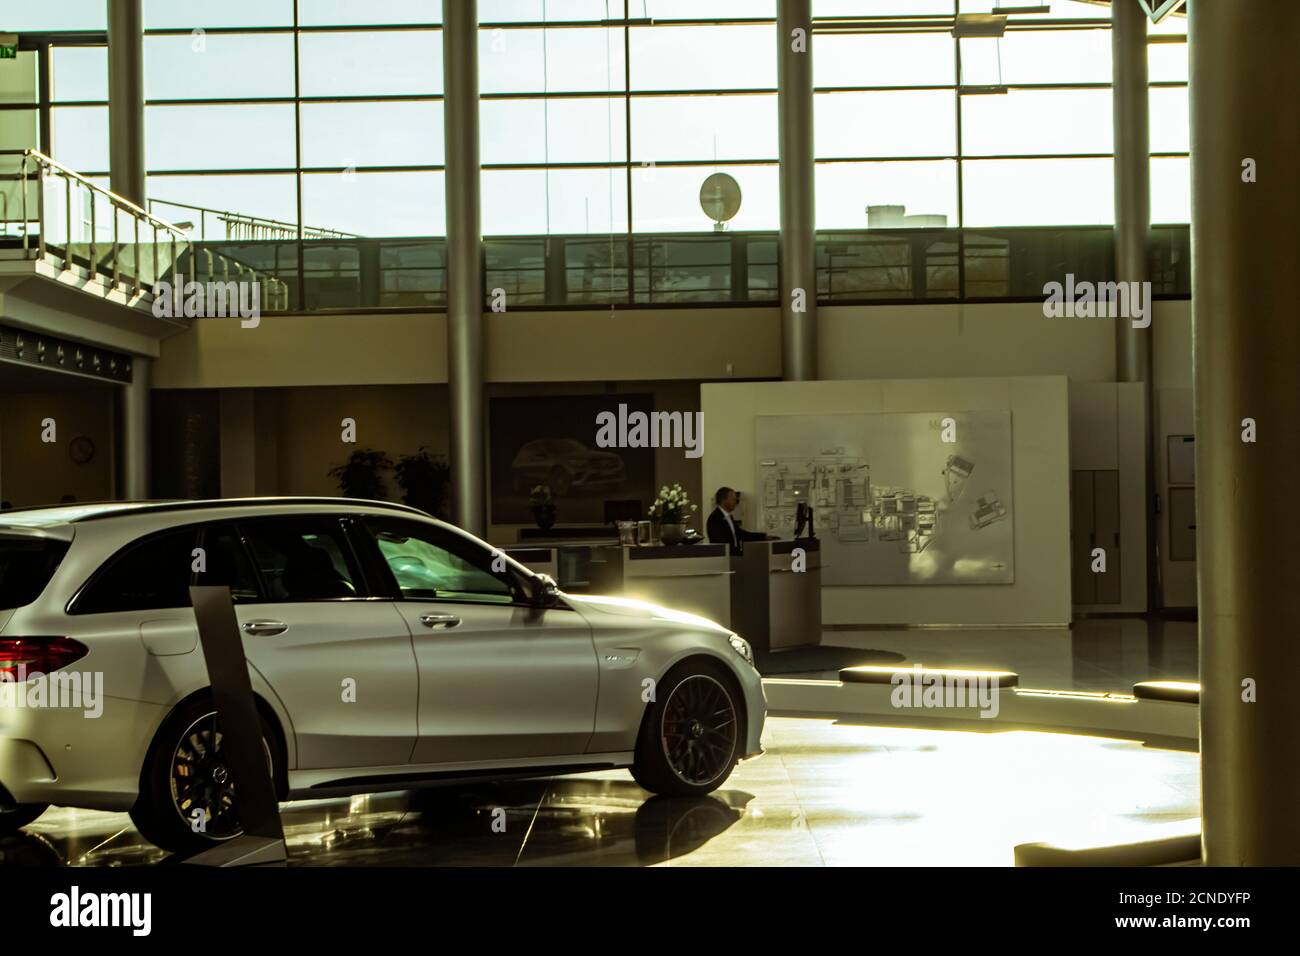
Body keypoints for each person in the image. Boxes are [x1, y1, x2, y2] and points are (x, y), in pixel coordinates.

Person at [706, 486, 774, 553]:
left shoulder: (729, 517)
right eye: (733, 499)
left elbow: (740, 534)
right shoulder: (715, 518)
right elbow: (720, 542)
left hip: (734, 557)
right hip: (724, 558)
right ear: (724, 500)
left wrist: (764, 536)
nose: (736, 502)